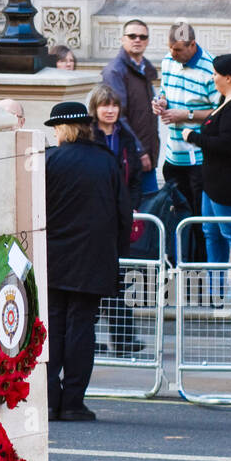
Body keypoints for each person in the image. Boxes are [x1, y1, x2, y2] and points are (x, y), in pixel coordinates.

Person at [44, 101, 132, 421]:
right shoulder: (105, 161)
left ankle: (51, 400)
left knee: (53, 325)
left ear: (63, 129)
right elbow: (124, 212)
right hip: (92, 257)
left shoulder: (49, 160)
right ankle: (73, 402)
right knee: (81, 327)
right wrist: (114, 248)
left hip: (53, 256)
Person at [180, 54, 231, 305]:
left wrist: (192, 137)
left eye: (215, 74)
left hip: (228, 188)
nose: (212, 77)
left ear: (228, 77)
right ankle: (216, 292)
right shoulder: (226, 99)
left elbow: (226, 144)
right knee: (212, 235)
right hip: (212, 186)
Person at [153, 22, 220, 261]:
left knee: (198, 223)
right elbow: (164, 91)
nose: (173, 54)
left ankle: (200, 275)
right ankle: (177, 268)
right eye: (170, 49)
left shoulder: (211, 68)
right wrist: (160, 102)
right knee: (173, 219)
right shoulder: (168, 60)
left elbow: (219, 111)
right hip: (173, 155)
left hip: (199, 159)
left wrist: (186, 115)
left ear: (193, 45)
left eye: (179, 50)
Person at [88, 84, 144, 355]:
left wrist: (131, 207)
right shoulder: (89, 136)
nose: (109, 110)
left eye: (114, 105)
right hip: (95, 218)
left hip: (120, 218)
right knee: (96, 281)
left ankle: (123, 338)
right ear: (95, 109)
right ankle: (89, 336)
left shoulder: (125, 137)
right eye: (104, 105)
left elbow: (134, 178)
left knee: (121, 280)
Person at [101, 19, 160, 194]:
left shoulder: (145, 68)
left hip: (147, 152)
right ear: (122, 39)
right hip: (128, 155)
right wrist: (139, 151)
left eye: (142, 37)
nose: (137, 40)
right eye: (132, 36)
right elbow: (117, 115)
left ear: (148, 41)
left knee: (150, 210)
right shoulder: (115, 71)